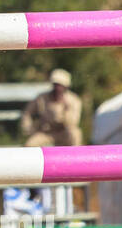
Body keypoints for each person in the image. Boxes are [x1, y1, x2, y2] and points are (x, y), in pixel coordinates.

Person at [15, 69, 83, 213]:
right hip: (46, 132)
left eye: (60, 86)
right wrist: (29, 128)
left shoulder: (73, 101)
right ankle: (30, 178)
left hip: (63, 132)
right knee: (30, 144)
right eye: (55, 85)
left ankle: (77, 167)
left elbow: (73, 123)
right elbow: (27, 113)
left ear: (66, 87)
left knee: (75, 134)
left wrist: (65, 110)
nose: (57, 88)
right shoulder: (42, 98)